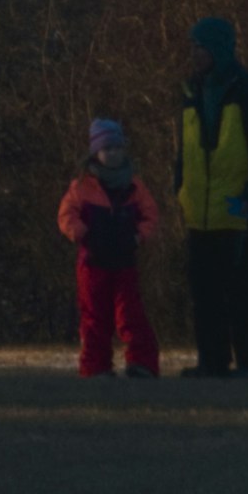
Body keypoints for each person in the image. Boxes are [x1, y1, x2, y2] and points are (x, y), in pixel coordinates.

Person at [173, 13, 248, 376]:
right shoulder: (191, 93)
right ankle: (212, 361)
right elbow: (184, 151)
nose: (194, 53)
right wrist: (180, 189)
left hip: (237, 209)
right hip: (199, 211)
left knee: (240, 290)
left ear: (217, 49)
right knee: (204, 292)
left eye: (200, 46)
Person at [54, 113, 162, 376]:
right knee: (94, 316)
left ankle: (141, 363)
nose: (113, 154)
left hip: (125, 261)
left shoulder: (135, 185)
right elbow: (66, 215)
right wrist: (83, 234)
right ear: (95, 153)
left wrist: (139, 236)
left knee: (131, 314)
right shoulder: (82, 186)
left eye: (117, 148)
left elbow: (151, 215)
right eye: (106, 149)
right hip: (92, 262)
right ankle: (95, 366)